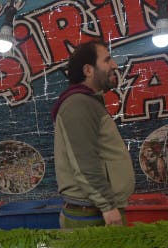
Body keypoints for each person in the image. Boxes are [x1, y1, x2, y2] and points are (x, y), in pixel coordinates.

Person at [52, 39, 135, 228]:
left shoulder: (87, 102)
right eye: (107, 60)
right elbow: (83, 161)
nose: (114, 65)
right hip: (92, 214)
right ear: (88, 70)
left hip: (96, 210)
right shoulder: (78, 104)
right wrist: (107, 206)